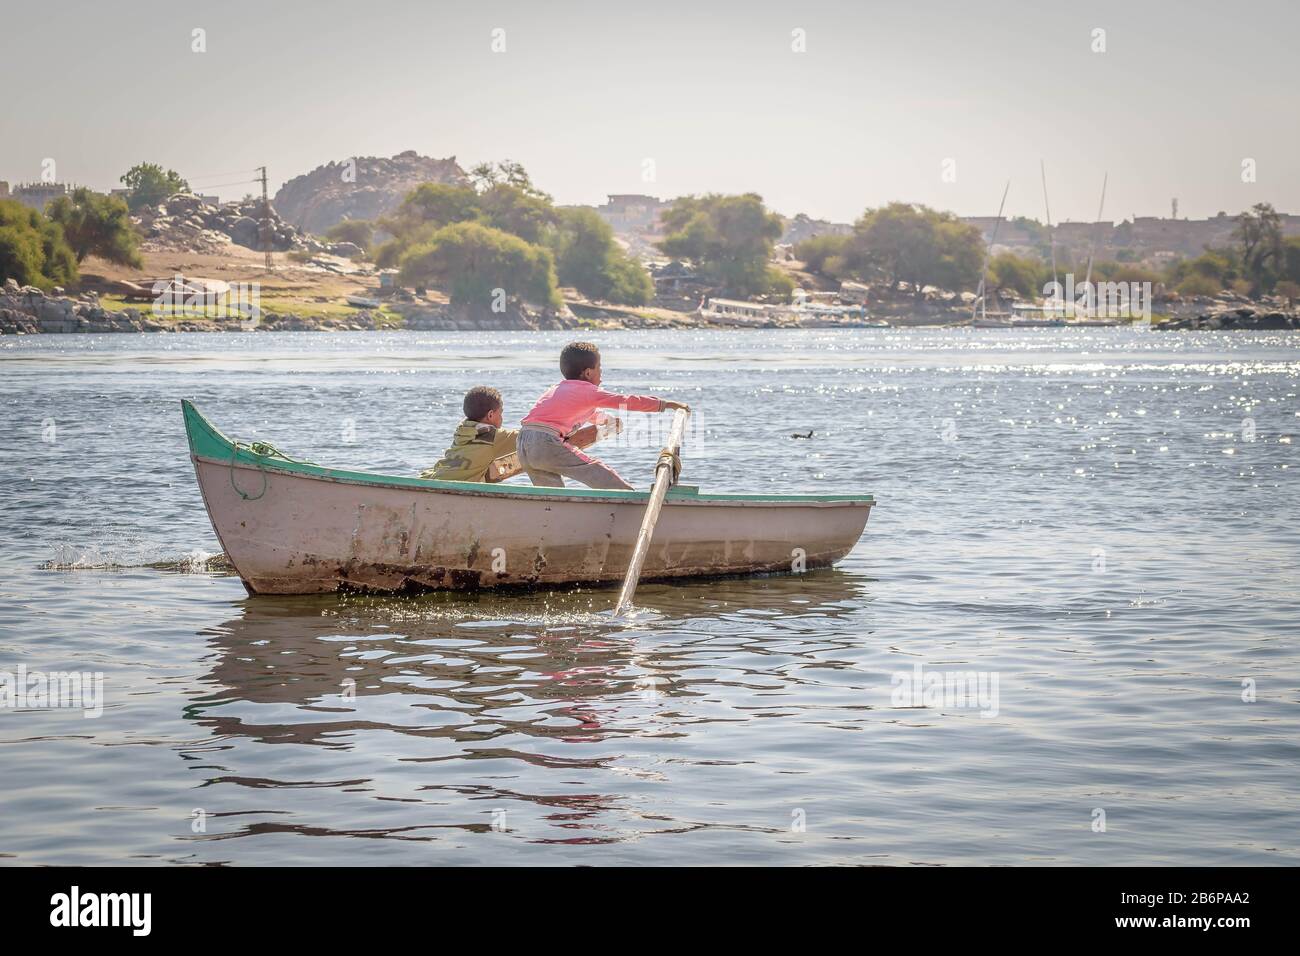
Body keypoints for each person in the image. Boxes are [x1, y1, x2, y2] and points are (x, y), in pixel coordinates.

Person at [517, 341, 688, 490]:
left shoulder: (557, 389)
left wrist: (609, 422)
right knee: (596, 471)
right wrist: (666, 405)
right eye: (599, 368)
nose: (601, 373)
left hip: (523, 444)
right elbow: (626, 401)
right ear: (588, 373)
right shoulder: (588, 391)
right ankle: (628, 497)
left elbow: (588, 413)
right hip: (546, 443)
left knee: (552, 496)